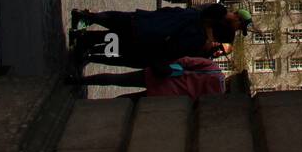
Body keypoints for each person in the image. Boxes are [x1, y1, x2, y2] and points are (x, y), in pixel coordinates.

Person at [69, 5, 253, 67]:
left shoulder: (210, 21)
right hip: (158, 29)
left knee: (119, 29)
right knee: (119, 23)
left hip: (158, 25)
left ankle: (84, 35)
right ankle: (86, 19)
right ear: (237, 17)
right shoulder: (214, 17)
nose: (237, 29)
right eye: (239, 26)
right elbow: (176, 46)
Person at [69, 55, 227, 98]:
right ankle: (90, 107)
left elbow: (186, 61)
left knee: (118, 79)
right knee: (126, 101)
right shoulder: (216, 97)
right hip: (166, 96)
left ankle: (79, 80)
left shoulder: (213, 69)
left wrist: (170, 65)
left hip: (163, 76)